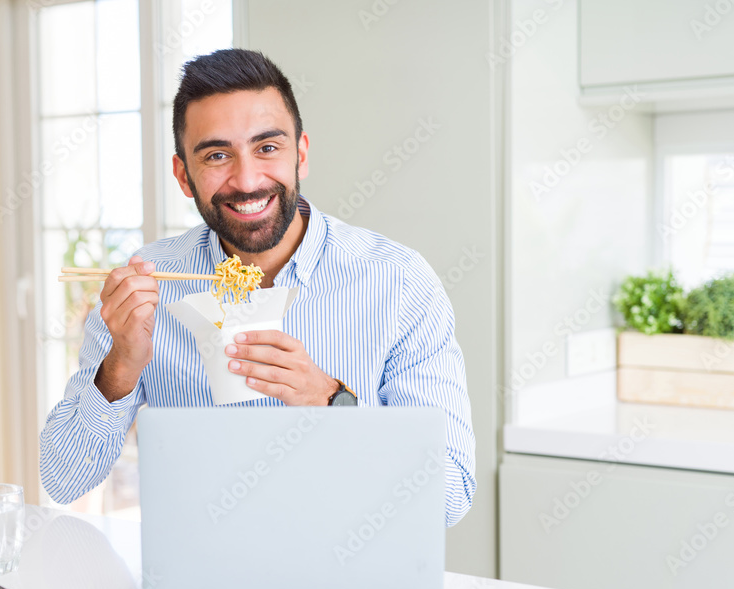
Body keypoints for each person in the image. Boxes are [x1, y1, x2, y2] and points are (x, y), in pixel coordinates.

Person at [40, 49, 476, 526]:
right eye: (217, 156)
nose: (247, 181)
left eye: (267, 148)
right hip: (200, 564)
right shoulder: (147, 284)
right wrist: (121, 367)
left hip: (350, 561)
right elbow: (63, 480)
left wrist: (331, 402)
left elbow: (450, 497)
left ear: (300, 154)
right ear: (184, 175)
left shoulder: (399, 282)